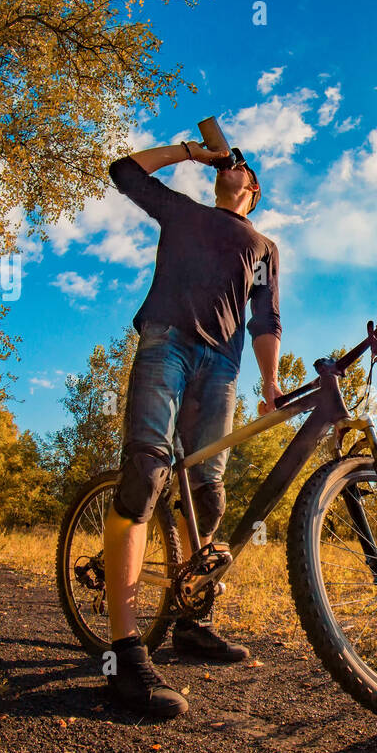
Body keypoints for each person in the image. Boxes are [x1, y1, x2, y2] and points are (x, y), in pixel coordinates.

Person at [101, 137, 283, 718]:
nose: (237, 166)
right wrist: (188, 152)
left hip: (222, 366)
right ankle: (127, 652)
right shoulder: (184, 211)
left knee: (208, 491)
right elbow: (123, 172)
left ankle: (191, 620)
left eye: (245, 168)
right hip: (167, 342)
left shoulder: (263, 246)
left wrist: (272, 384)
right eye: (233, 162)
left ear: (252, 191)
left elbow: (266, 318)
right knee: (147, 472)